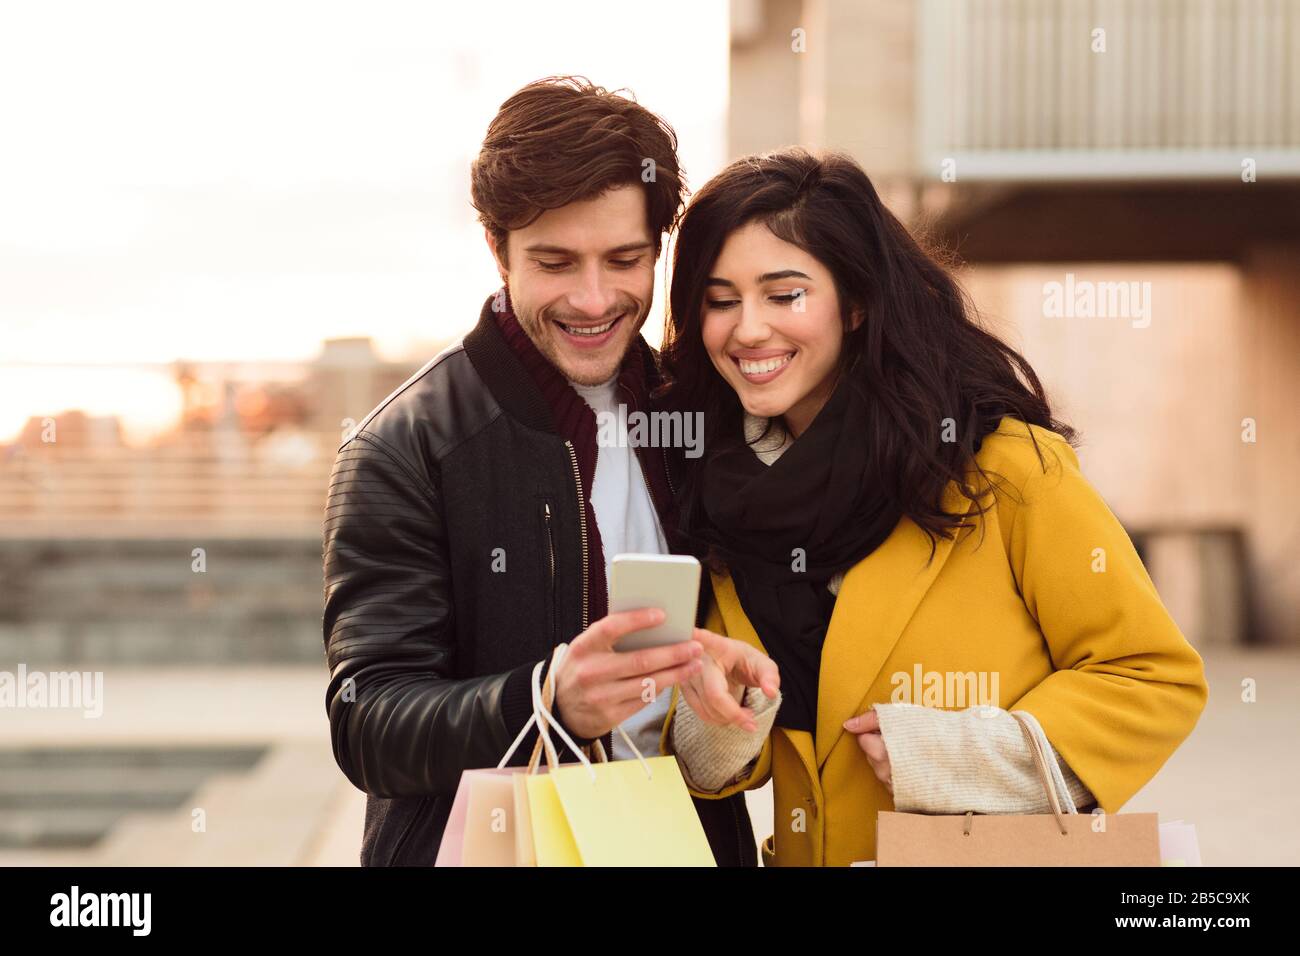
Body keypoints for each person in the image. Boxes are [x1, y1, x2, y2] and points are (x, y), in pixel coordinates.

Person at [657, 148, 1209, 867]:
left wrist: (956, 757)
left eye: (784, 294)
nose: (748, 329)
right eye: (720, 299)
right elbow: (726, 763)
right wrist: (720, 722)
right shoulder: (718, 490)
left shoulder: (1003, 466)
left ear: (856, 301)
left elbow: (1155, 679)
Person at [322, 76, 773, 867]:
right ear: (498, 250)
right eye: (555, 262)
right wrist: (544, 700)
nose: (593, 299)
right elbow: (369, 723)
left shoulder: (704, 415)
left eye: (625, 259)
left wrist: (731, 682)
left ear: (660, 249)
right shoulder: (403, 445)